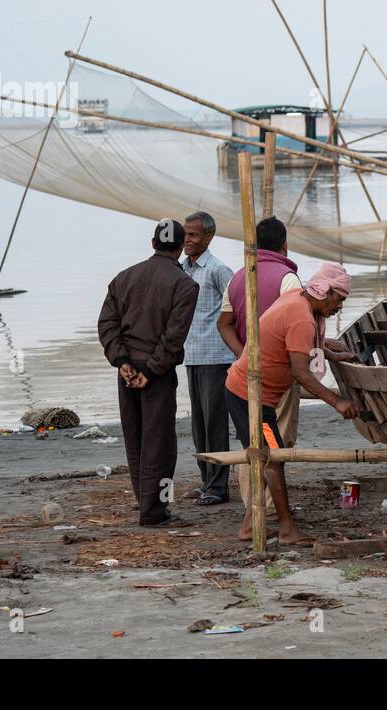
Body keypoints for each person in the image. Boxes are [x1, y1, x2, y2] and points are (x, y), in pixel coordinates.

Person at [225, 263, 360, 545]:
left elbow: (291, 342)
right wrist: (337, 402)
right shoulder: (303, 318)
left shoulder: (297, 298)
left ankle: (250, 526)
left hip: (248, 393)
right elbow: (301, 372)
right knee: (274, 459)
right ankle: (288, 529)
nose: (339, 307)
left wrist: (328, 354)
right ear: (325, 292)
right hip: (251, 399)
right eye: (339, 299)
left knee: (267, 457)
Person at [98, 219, 199, 527]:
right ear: (181, 248)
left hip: (127, 370)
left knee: (136, 439)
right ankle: (155, 511)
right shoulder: (185, 285)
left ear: (153, 243)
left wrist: (122, 362)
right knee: (161, 444)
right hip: (157, 373)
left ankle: (146, 504)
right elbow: (173, 337)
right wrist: (151, 371)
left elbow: (107, 325)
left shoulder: (124, 277)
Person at [217, 216, 303, 513]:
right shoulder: (287, 279)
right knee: (275, 441)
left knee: (252, 441)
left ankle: (253, 508)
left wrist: (244, 354)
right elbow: (296, 323)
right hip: (275, 378)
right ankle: (265, 508)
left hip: (244, 377)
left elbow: (224, 324)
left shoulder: (239, 276)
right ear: (284, 245)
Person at [178, 212, 236, 505]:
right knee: (198, 422)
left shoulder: (217, 270)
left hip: (216, 356)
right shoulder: (182, 269)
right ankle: (206, 480)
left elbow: (238, 307)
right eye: (186, 234)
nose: (187, 240)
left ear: (209, 237)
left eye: (194, 235)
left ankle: (218, 486)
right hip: (192, 356)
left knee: (214, 422)